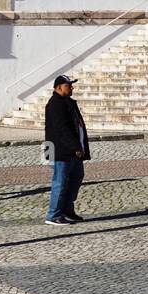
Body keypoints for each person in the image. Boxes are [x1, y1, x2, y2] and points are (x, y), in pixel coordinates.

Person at [44, 75, 91, 225]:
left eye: (71, 85)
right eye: (68, 85)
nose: (72, 87)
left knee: (77, 176)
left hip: (72, 149)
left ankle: (67, 209)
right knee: (60, 181)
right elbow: (62, 130)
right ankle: (53, 214)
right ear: (59, 87)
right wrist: (75, 147)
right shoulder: (55, 104)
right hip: (61, 150)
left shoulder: (68, 102)